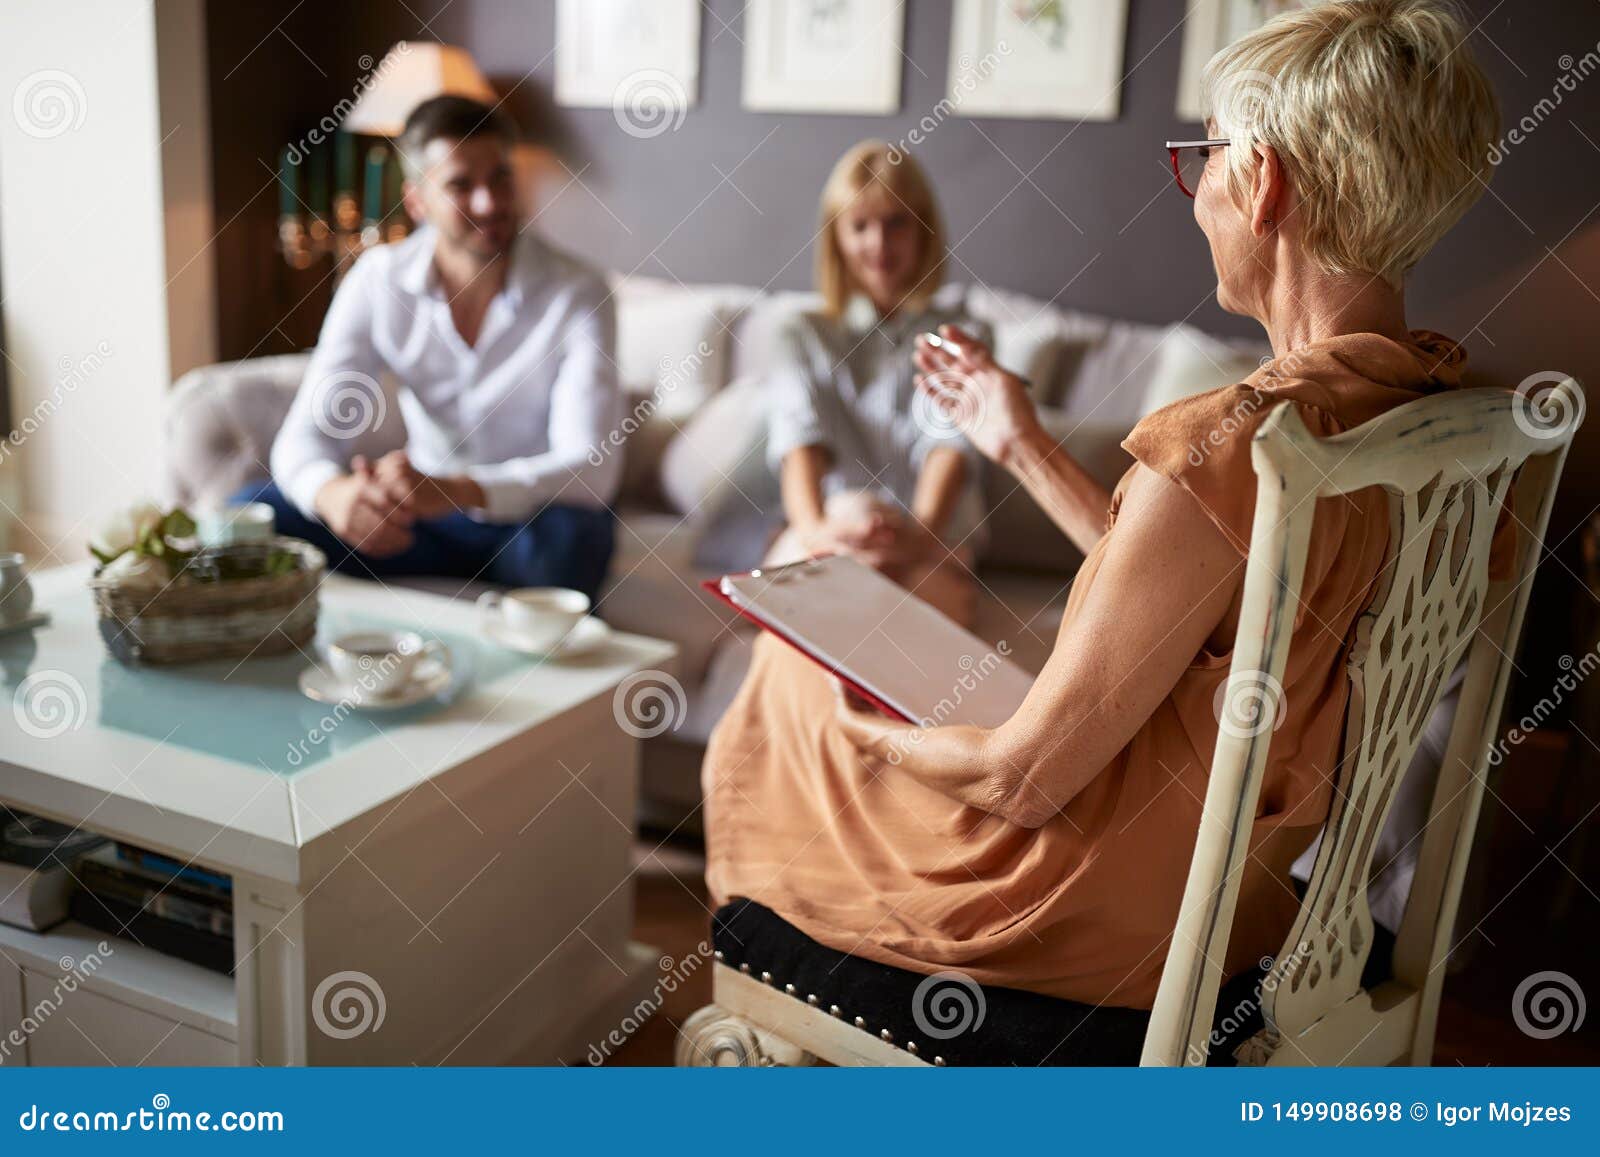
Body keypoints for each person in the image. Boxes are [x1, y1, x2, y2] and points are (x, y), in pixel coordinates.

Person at [703, 0, 1513, 1015]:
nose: (1196, 192)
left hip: (1079, 912)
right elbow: (1213, 596)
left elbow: (1019, 779)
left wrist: (862, 732)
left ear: (1260, 184)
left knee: (793, 675)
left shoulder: (1232, 439)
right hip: (1238, 896)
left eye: (1205, 159)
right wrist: (1021, 442)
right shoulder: (1429, 421)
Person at [250, 96, 621, 600]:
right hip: (420, 525)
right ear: (417, 201)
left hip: (527, 524)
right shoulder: (378, 280)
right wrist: (336, 495)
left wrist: (455, 491)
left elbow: (591, 468)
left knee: (573, 538)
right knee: (252, 516)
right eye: (462, 185)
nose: (490, 203)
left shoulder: (579, 291)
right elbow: (304, 438)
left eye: (501, 178)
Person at [763, 141, 989, 626]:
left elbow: (948, 446)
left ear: (923, 228)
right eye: (860, 226)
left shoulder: (964, 336)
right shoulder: (800, 333)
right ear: (835, 236)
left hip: (932, 537)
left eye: (897, 222)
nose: (879, 244)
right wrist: (818, 535)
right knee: (794, 613)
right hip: (837, 530)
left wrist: (919, 537)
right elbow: (800, 442)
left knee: (906, 630)